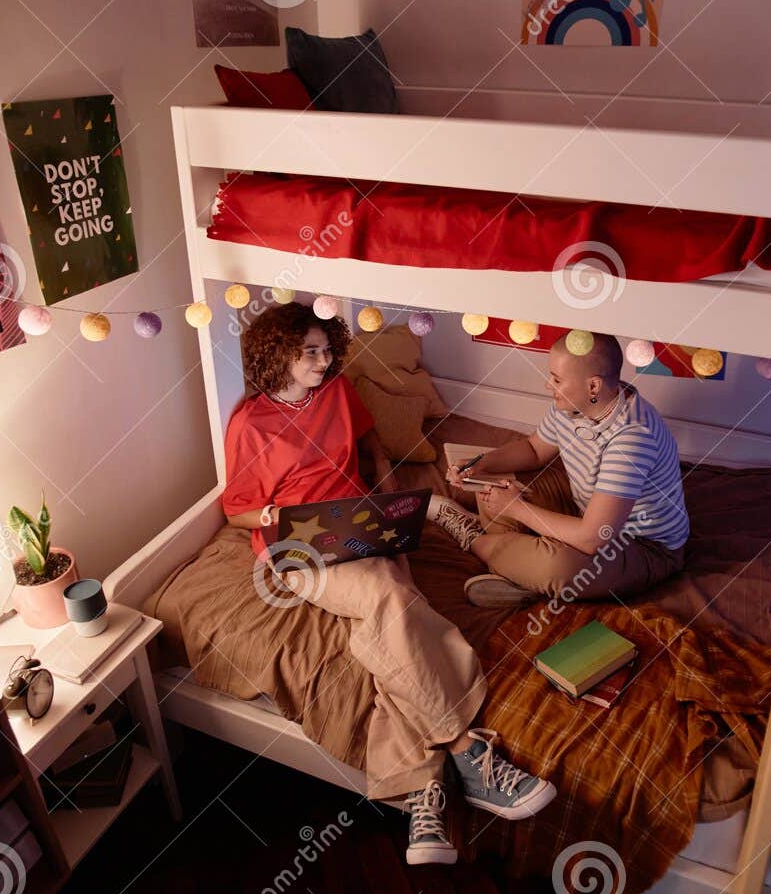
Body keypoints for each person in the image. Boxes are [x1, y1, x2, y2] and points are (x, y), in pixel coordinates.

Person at [221, 303, 556, 865]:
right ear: (278, 353)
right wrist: (271, 513)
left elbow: (370, 441)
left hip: (362, 520)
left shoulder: (336, 392)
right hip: (300, 545)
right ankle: (464, 749)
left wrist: (388, 481)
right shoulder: (249, 424)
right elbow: (237, 511)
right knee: (391, 598)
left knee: (390, 623)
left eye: (328, 349)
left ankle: (424, 796)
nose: (325, 361)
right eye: (312, 353)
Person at [427, 332, 688, 607]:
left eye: (557, 379)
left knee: (561, 569)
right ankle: (519, 571)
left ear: (593, 387)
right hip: (587, 511)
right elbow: (534, 450)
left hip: (641, 546)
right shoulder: (572, 405)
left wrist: (517, 509)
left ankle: (472, 534)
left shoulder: (632, 438)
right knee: (493, 486)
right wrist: (481, 462)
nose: (547, 384)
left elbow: (593, 538)